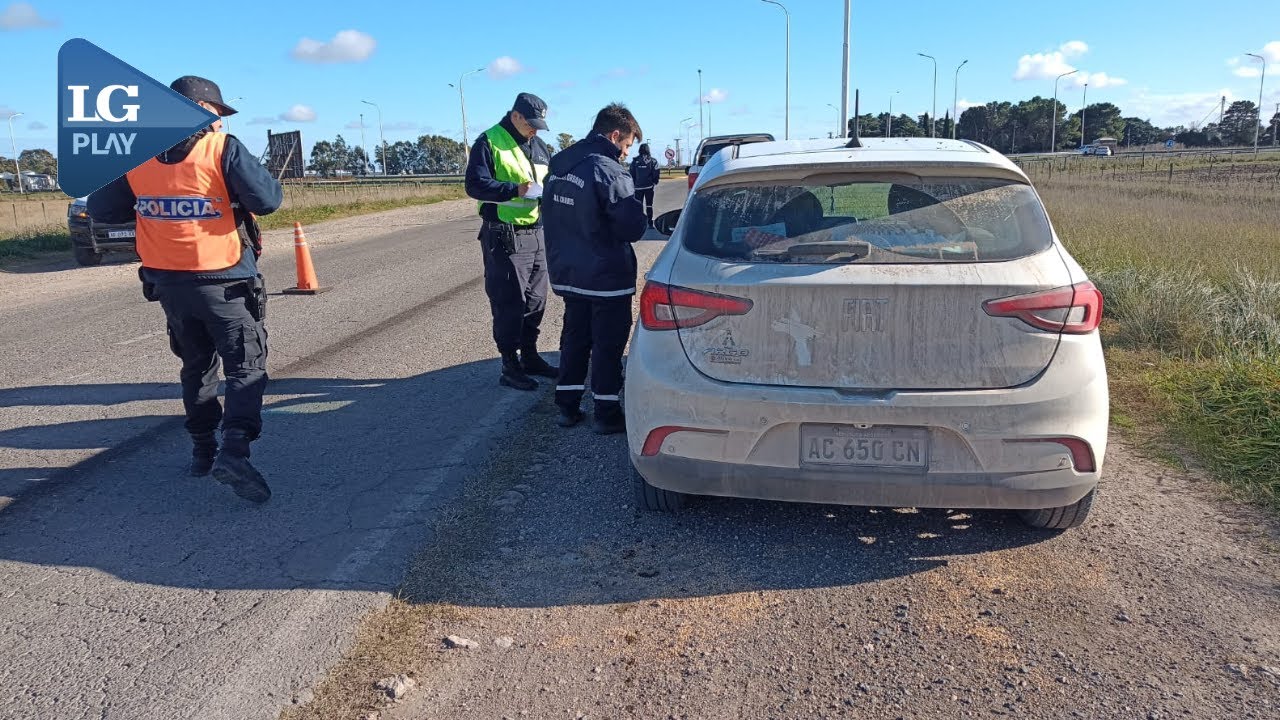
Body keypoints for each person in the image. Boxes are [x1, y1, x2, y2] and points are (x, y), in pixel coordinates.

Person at [88, 76, 282, 503]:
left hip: (170, 284)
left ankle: (202, 451)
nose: (219, 121)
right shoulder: (222, 149)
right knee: (246, 366)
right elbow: (268, 200)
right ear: (204, 111)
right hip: (224, 279)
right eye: (216, 113)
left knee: (196, 366)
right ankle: (234, 451)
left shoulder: (138, 156)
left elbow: (102, 209)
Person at [542, 103, 649, 434]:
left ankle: (567, 406)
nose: (627, 153)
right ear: (615, 135)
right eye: (628, 146)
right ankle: (606, 411)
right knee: (608, 343)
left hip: (570, 273)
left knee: (575, 338)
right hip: (605, 276)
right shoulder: (608, 170)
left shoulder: (560, 162)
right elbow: (632, 227)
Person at [464, 92, 558, 391]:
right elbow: (474, 184)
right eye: (531, 123)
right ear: (515, 115)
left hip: (537, 232)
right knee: (509, 302)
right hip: (504, 235)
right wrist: (514, 190)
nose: (534, 129)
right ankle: (510, 364)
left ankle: (530, 355)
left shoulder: (539, 145)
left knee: (536, 300)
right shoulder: (489, 141)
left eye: (538, 125)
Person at [628, 143, 660, 228]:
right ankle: (650, 223)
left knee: (639, 205)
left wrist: (634, 184)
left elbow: (631, 173)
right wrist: (654, 182)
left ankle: (639, 223)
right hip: (649, 187)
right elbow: (656, 172)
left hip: (638, 187)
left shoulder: (635, 161)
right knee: (649, 205)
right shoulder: (653, 161)